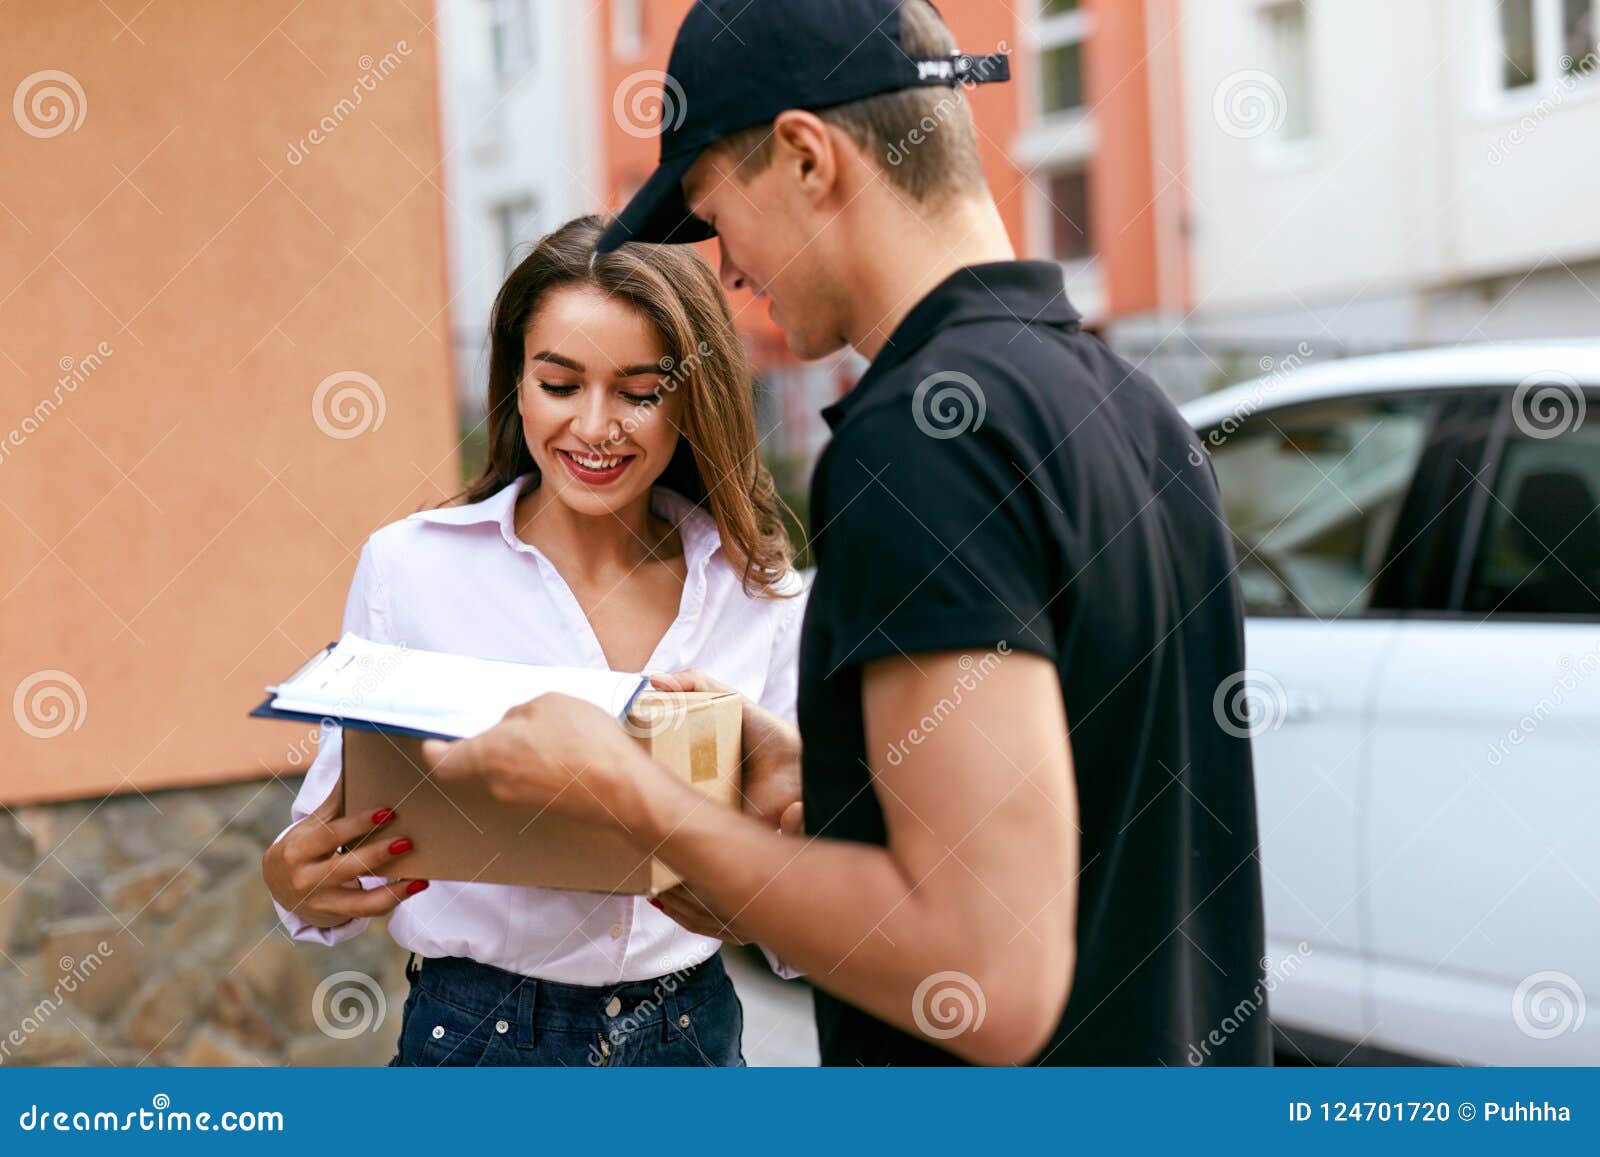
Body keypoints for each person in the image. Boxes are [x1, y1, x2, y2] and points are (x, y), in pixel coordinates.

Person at [423, 0, 1270, 1066]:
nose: (727, 272)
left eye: (716, 215)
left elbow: (985, 975)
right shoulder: (1126, 405)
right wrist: (834, 777)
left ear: (805, 156)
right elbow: (1086, 820)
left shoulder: (921, 441)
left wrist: (630, 791)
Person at [260, 215, 806, 1067]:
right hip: (480, 1041)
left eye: (639, 391)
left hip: (692, 1039)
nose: (595, 427)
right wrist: (297, 884)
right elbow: (336, 845)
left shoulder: (758, 589)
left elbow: (804, 884)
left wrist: (771, 897)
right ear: (517, 384)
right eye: (560, 384)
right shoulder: (410, 567)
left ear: (692, 398)